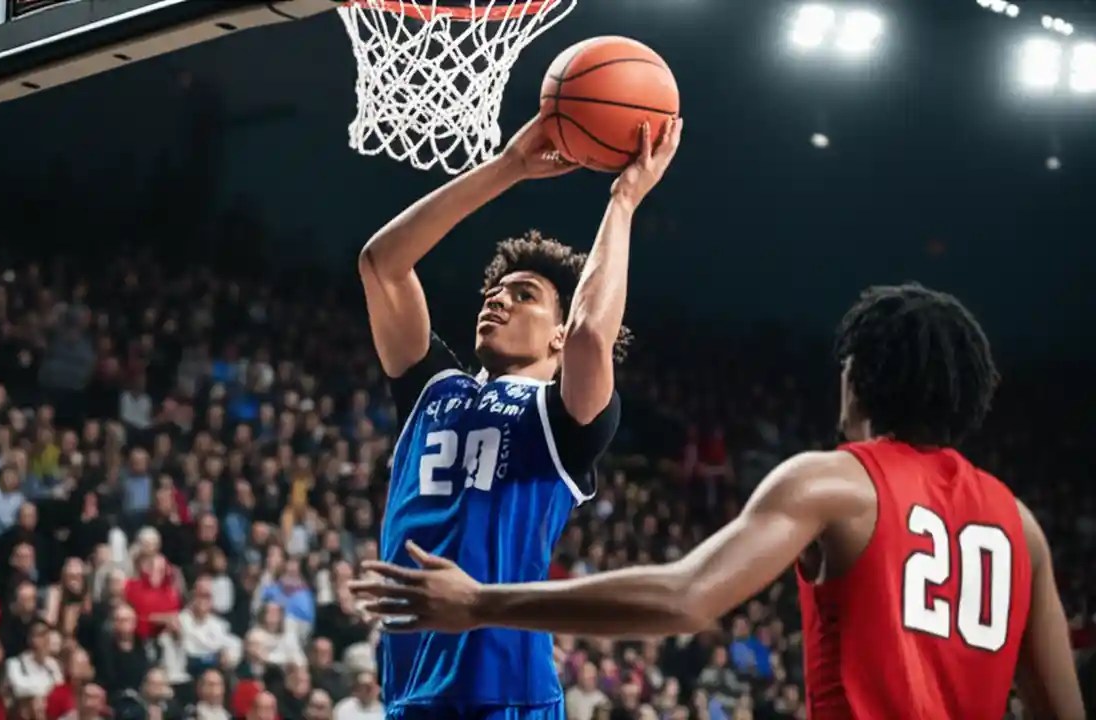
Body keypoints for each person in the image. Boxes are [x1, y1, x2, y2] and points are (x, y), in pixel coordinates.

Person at [352, 283, 1087, 720]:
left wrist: (483, 604)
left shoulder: (833, 482)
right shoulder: (1021, 529)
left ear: (856, 377)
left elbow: (684, 598)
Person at [356, 112, 681, 716]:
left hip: (503, 695)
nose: (497, 298)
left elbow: (590, 334)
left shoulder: (562, 418)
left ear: (556, 336)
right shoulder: (433, 388)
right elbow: (382, 263)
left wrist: (625, 199)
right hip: (408, 694)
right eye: (493, 292)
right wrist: (507, 168)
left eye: (523, 294)